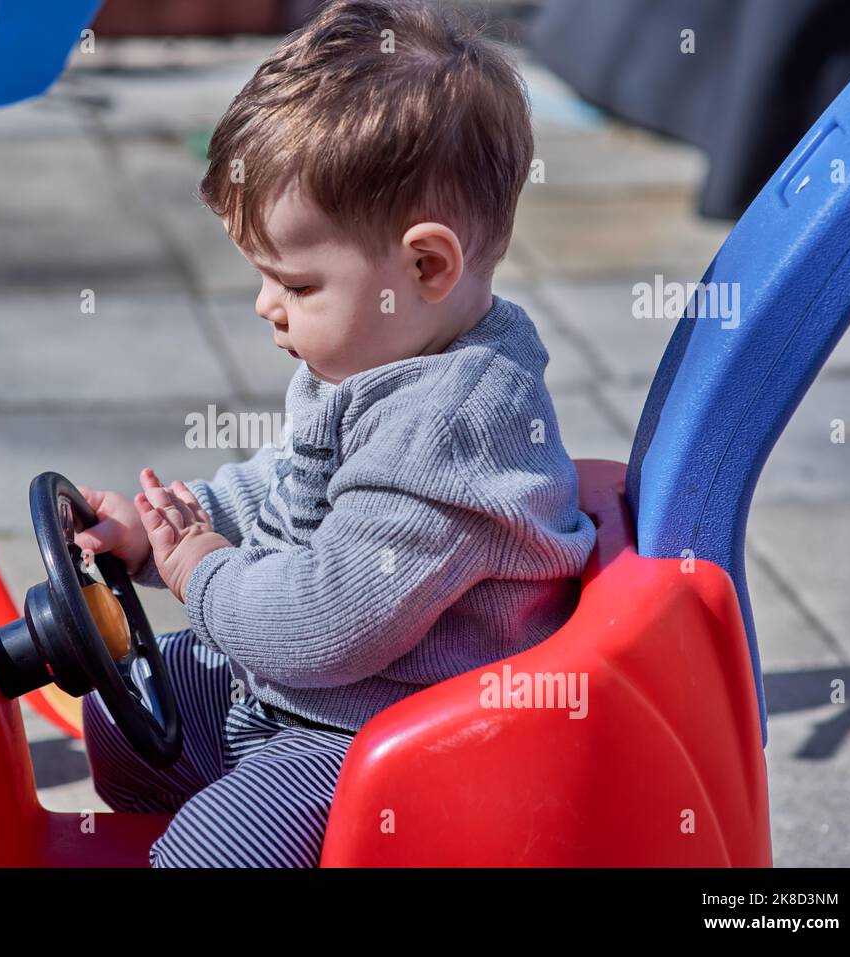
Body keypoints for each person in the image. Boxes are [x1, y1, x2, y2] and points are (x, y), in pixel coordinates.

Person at [74, 0, 596, 867]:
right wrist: (166, 527)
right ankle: (244, 816)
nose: (264, 306)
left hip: (387, 739)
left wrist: (200, 571)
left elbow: (325, 621)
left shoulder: (455, 427)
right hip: (307, 698)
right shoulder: (377, 349)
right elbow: (294, 484)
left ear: (425, 266)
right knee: (121, 708)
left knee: (206, 855)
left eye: (296, 283)